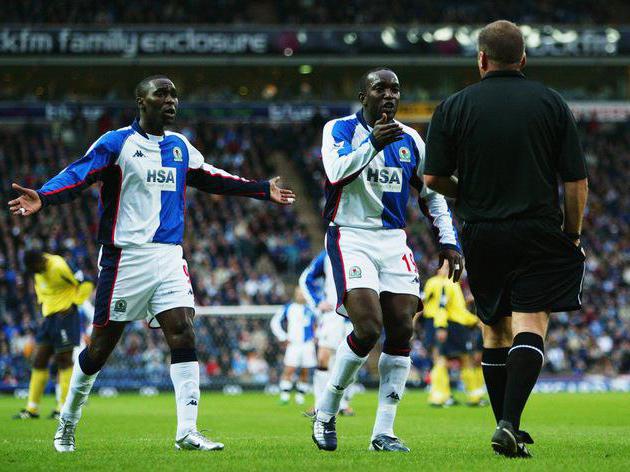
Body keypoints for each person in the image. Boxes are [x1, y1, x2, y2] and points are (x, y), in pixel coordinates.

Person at [8, 75, 296, 453]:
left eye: (174, 95)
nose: (171, 101)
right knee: (98, 350)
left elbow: (211, 177)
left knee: (183, 330)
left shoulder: (179, 146)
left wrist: (261, 189)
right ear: (140, 102)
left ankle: (187, 431)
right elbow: (80, 172)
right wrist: (44, 197)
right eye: (161, 94)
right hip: (124, 258)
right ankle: (67, 420)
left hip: (167, 256)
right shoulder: (117, 143)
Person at [424, 20, 588, 458]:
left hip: (481, 231)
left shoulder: (452, 107)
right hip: (537, 229)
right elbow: (575, 181)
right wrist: (571, 234)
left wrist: (469, 193)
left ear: (481, 58)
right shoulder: (551, 103)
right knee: (531, 324)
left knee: (494, 329)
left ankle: (504, 424)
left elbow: (434, 177)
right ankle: (510, 423)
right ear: (523, 60)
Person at [311, 67, 462, 452]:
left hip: (393, 241)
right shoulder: (338, 130)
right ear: (364, 96)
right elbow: (335, 172)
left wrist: (449, 242)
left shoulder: (411, 139)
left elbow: (432, 196)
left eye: (395, 89)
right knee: (367, 326)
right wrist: (373, 145)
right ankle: (326, 410)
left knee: (401, 329)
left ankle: (383, 432)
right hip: (350, 235)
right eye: (381, 89)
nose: (390, 95)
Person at [12, 249, 94, 420]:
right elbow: (42, 291)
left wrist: (73, 304)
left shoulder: (59, 266)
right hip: (49, 319)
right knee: (39, 360)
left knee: (64, 360)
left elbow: (87, 282)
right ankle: (31, 409)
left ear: (41, 261)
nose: (34, 272)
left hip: (65, 317)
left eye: (34, 268)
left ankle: (62, 408)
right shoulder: (37, 270)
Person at [421, 263, 486, 407]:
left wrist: (473, 320)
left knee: (445, 360)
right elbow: (441, 307)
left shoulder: (453, 284)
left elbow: (457, 309)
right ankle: (473, 396)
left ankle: (442, 396)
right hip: (451, 326)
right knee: (459, 360)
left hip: (450, 324)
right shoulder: (443, 283)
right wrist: (441, 326)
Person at [299, 249, 354, 416]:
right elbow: (305, 279)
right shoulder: (328, 253)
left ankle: (343, 403)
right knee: (323, 358)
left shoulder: (363, 246)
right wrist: (317, 302)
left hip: (355, 314)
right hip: (332, 315)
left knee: (349, 361)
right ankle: (319, 404)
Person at [270, 287, 317, 405]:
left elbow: (318, 323)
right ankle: (284, 396)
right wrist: (283, 336)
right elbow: (275, 322)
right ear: (295, 295)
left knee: (305, 371)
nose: (301, 295)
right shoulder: (288, 307)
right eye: (298, 293)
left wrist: (317, 335)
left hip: (308, 344)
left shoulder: (313, 308)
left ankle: (300, 397)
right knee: (289, 369)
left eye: (302, 293)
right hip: (294, 344)